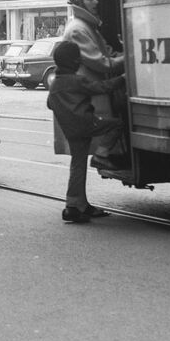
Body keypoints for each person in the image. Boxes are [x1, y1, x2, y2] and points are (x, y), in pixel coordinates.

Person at [47, 40, 124, 224]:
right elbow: (102, 88)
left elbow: (50, 104)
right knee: (117, 125)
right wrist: (123, 78)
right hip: (86, 124)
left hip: (70, 130)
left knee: (78, 165)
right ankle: (101, 154)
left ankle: (75, 205)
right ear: (75, 62)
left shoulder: (55, 84)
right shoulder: (77, 80)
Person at [62, 0, 127, 171]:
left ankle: (77, 200)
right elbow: (102, 62)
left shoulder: (85, 26)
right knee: (80, 156)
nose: (97, 2)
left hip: (86, 97)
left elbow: (107, 54)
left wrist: (120, 56)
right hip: (86, 97)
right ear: (80, 2)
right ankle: (77, 199)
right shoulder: (79, 29)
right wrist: (129, 57)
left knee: (80, 158)